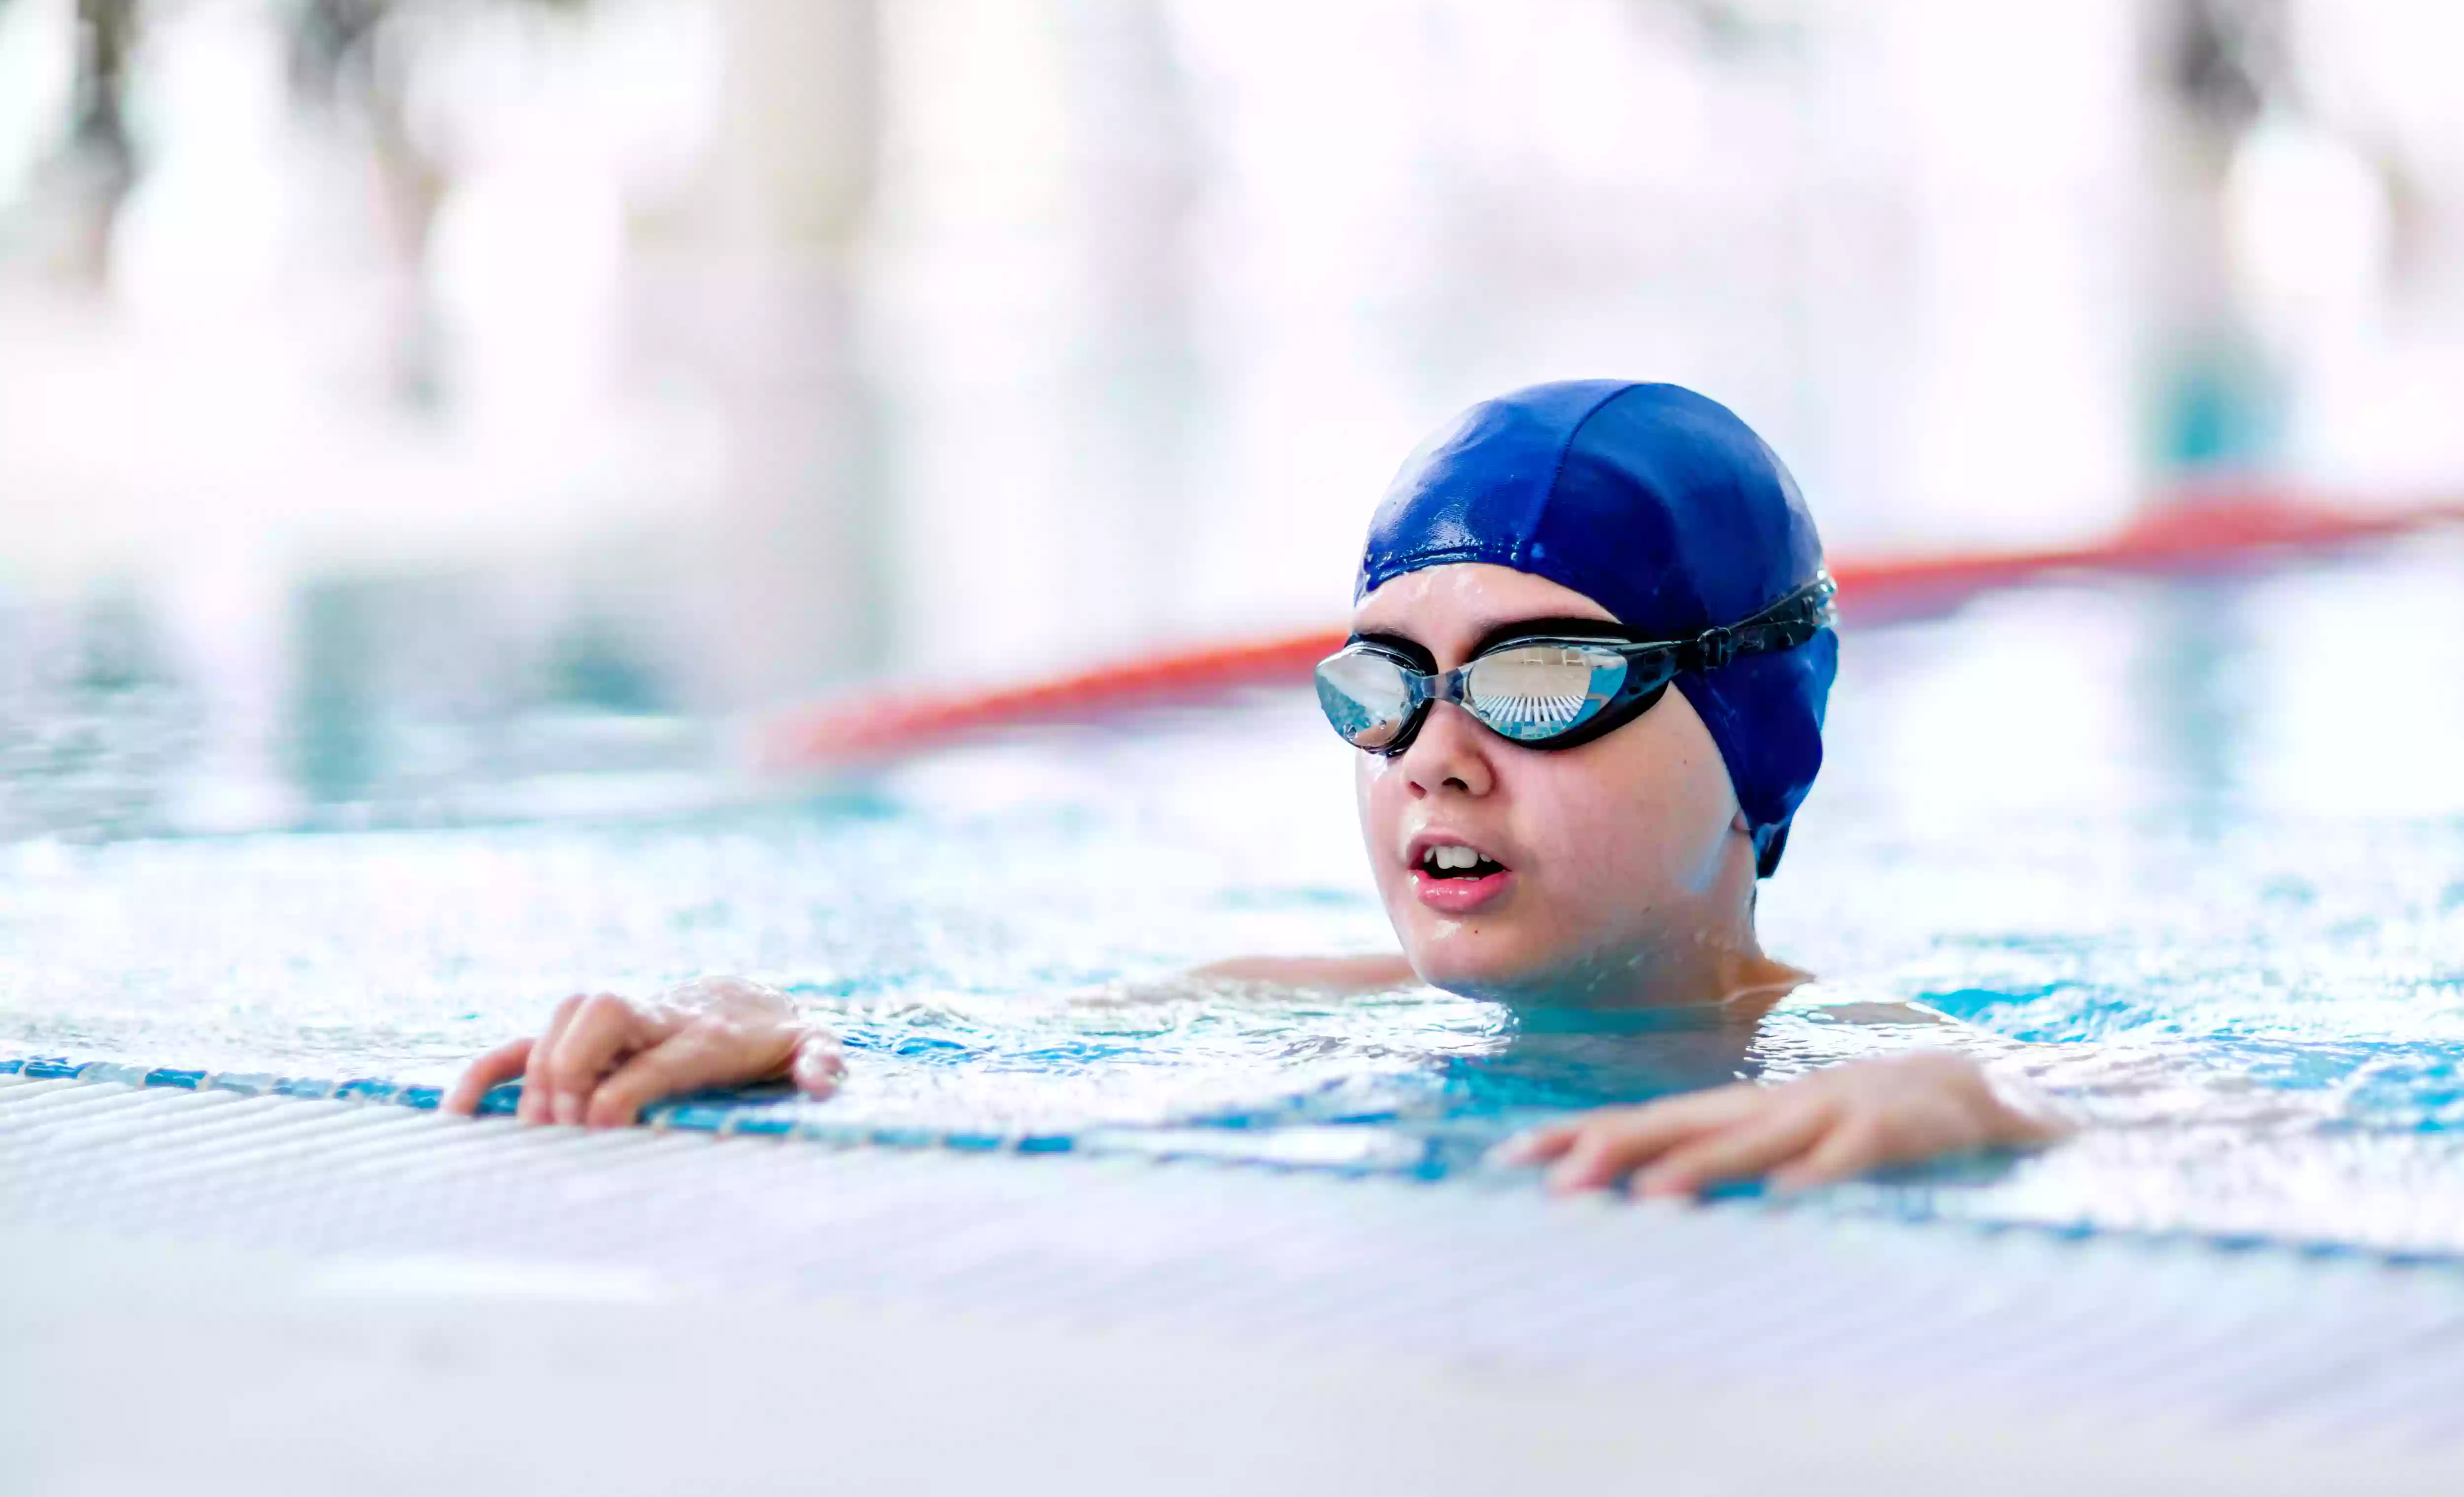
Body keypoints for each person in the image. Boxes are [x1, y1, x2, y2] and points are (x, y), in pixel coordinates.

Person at [446, 380, 2064, 1195]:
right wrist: (771, 1025)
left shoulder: (1857, 1058)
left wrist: (1967, 1110)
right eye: (1385, 683)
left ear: (1752, 737)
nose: (1435, 752)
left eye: (1541, 678)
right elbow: (963, 1036)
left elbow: (2098, 1100)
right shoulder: (1302, 1009)